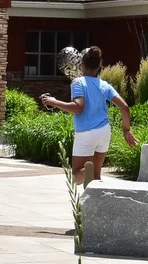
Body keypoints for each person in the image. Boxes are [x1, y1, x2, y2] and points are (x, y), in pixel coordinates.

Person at [39, 45, 137, 185]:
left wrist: (54, 102)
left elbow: (79, 108)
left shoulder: (77, 82)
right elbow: (125, 108)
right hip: (104, 131)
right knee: (96, 177)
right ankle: (96, 200)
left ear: (81, 64)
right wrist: (126, 130)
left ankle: (88, 173)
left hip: (86, 132)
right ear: (99, 67)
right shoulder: (104, 85)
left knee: (77, 175)